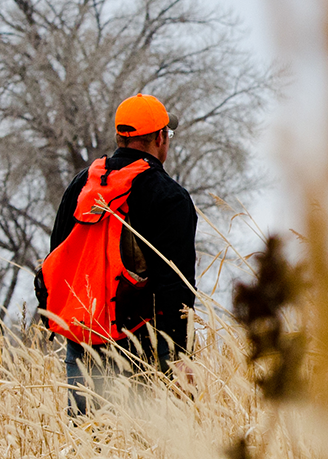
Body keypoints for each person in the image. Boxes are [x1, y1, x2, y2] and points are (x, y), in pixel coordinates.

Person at [45, 93, 198, 416]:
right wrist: (178, 356)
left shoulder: (81, 185)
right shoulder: (169, 197)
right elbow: (176, 285)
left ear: (120, 137)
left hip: (83, 337)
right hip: (142, 344)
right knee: (140, 444)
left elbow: (56, 255)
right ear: (160, 138)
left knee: (88, 442)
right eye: (167, 135)